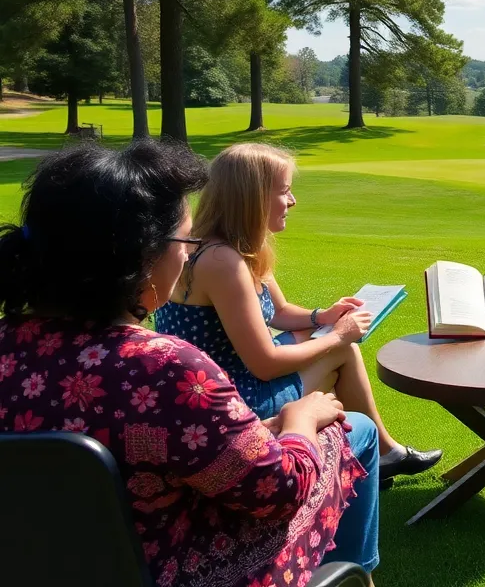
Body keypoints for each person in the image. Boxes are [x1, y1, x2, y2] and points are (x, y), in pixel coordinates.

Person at [0, 140, 372, 587]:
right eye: (184, 239)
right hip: (178, 570)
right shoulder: (166, 371)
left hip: (40, 566)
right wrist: (300, 420)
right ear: (142, 257)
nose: (188, 251)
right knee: (354, 428)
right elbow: (278, 491)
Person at [156, 142, 441, 485]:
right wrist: (338, 335)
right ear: (253, 197)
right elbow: (265, 363)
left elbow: (279, 312)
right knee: (341, 349)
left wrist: (322, 316)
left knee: (331, 343)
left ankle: (380, 453)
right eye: (285, 191)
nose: (293, 201)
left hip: (225, 385)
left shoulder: (236, 247)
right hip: (228, 404)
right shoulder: (223, 262)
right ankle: (379, 453)